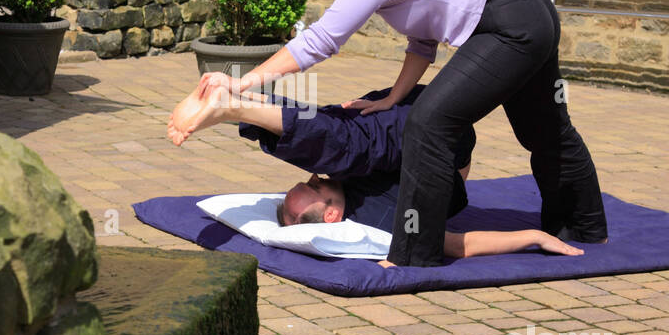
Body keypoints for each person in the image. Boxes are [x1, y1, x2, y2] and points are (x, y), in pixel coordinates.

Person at [190, 0, 609, 267]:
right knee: (545, 132)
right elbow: (422, 42)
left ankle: (413, 251)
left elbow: (321, 41)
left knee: (429, 123)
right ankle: (584, 227)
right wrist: (393, 97)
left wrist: (244, 82)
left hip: (510, 24)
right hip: (527, 12)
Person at [167, 80, 584, 260]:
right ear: (331, 215)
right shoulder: (382, 223)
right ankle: (234, 107)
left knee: (335, 134)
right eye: (317, 187)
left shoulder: (342, 175)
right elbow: (459, 246)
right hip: (445, 143)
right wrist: (532, 236)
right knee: (343, 146)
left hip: (394, 112)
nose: (319, 178)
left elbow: (328, 151)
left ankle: (240, 104)